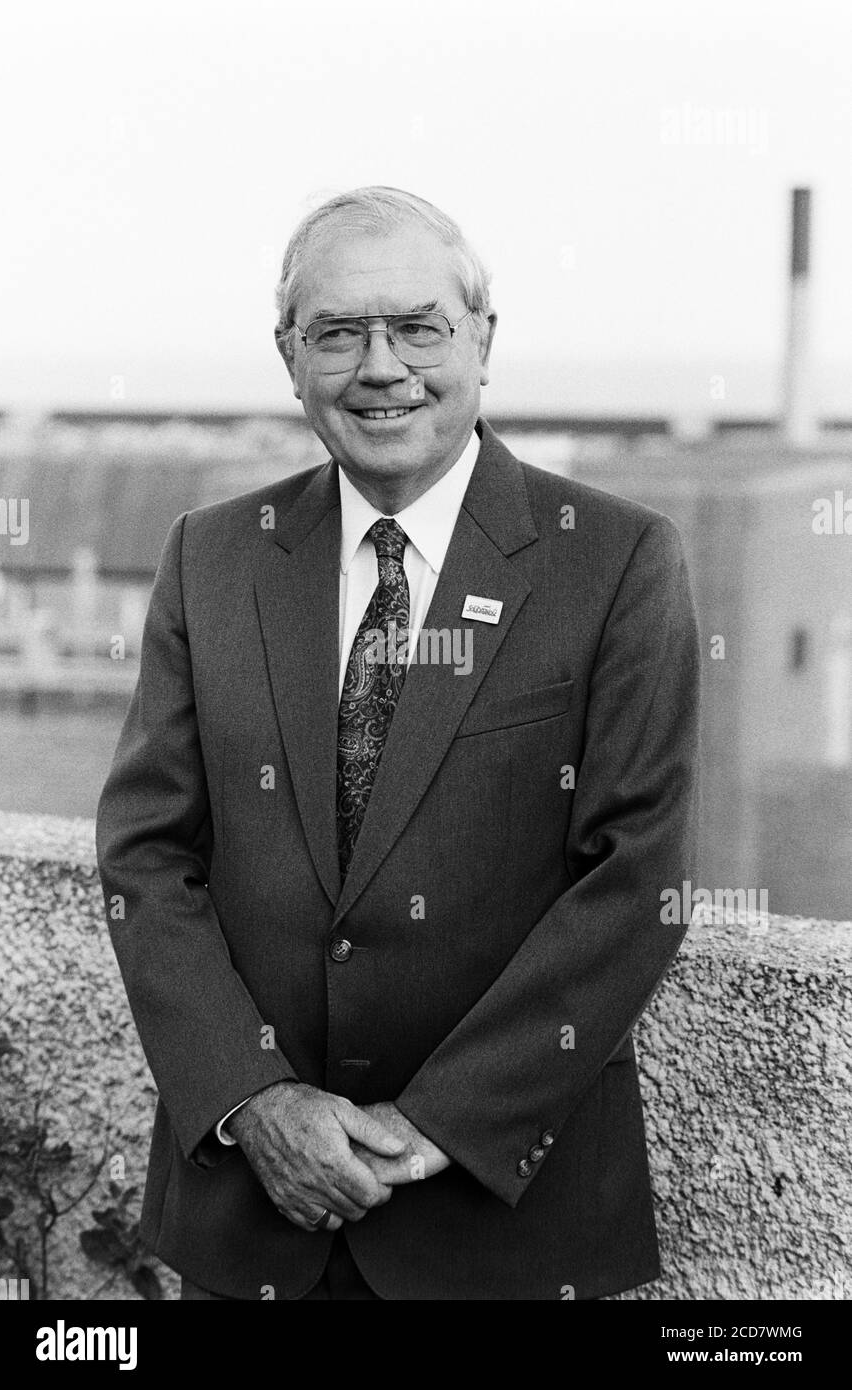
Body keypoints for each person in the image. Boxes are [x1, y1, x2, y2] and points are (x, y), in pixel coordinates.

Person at [96, 185, 700, 1301]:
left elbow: (636, 879)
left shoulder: (614, 561)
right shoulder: (211, 557)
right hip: (253, 1227)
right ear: (288, 357)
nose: (381, 367)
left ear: (482, 339)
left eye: (417, 326)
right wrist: (255, 1101)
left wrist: (429, 1128)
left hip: (499, 1230)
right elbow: (147, 854)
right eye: (336, 332)